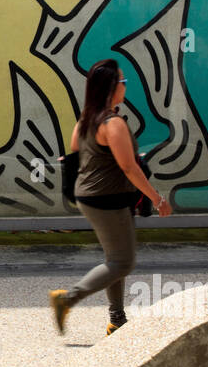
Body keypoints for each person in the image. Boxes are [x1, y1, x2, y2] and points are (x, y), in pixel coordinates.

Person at [49, 59, 171, 337]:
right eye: (123, 81)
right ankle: (66, 300)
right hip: (107, 199)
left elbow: (78, 158)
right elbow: (129, 167)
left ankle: (117, 321)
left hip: (92, 197)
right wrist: (157, 199)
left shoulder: (85, 121)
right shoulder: (112, 123)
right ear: (111, 87)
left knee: (114, 259)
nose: (126, 86)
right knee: (123, 262)